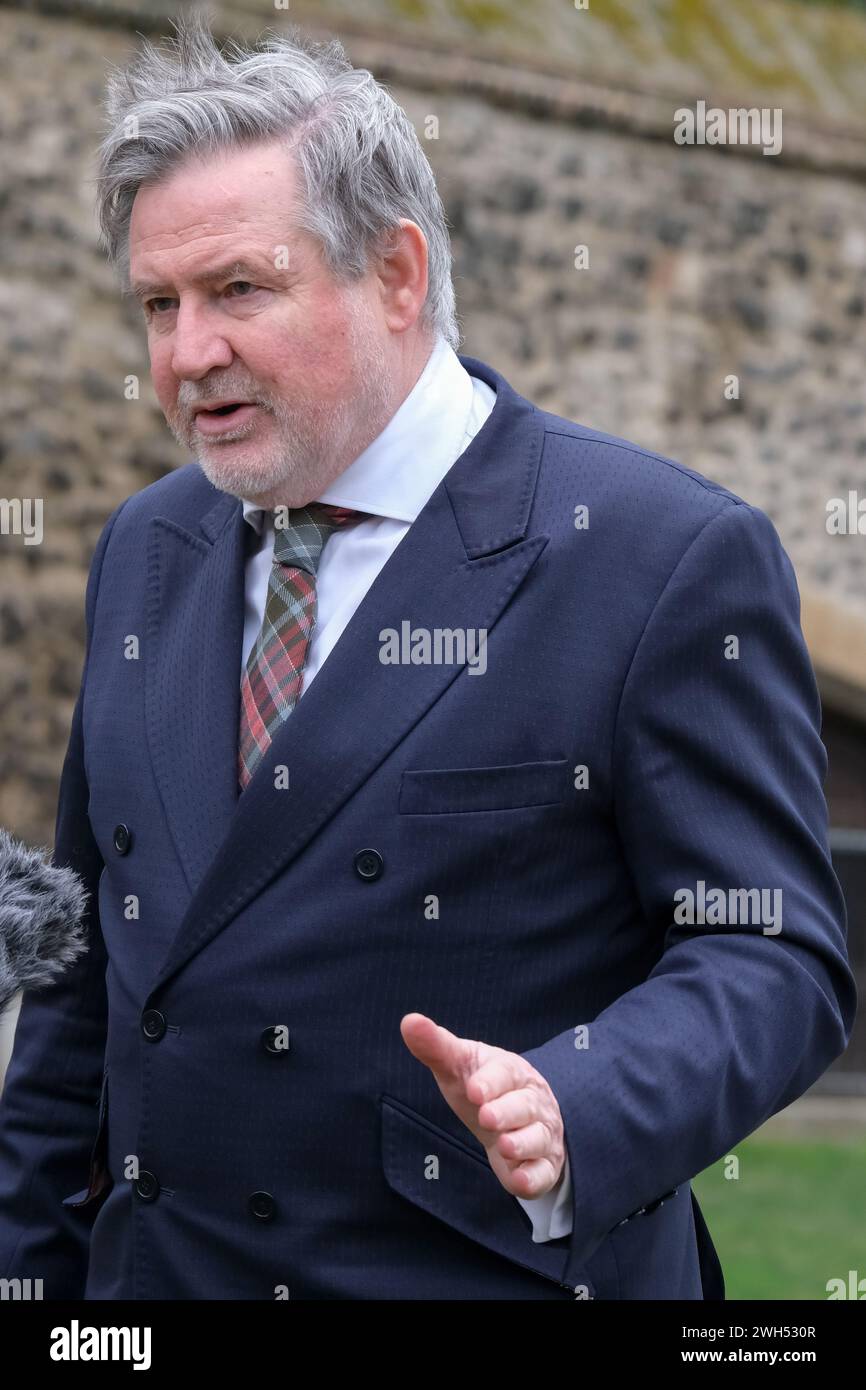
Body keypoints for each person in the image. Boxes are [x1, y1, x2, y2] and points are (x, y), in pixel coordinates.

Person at [0, 13, 855, 1300]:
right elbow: (87, 969)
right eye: (158, 306)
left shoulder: (657, 555)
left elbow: (770, 953)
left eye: (238, 288)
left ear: (396, 273)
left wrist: (577, 1102)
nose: (185, 356)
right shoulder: (149, 542)